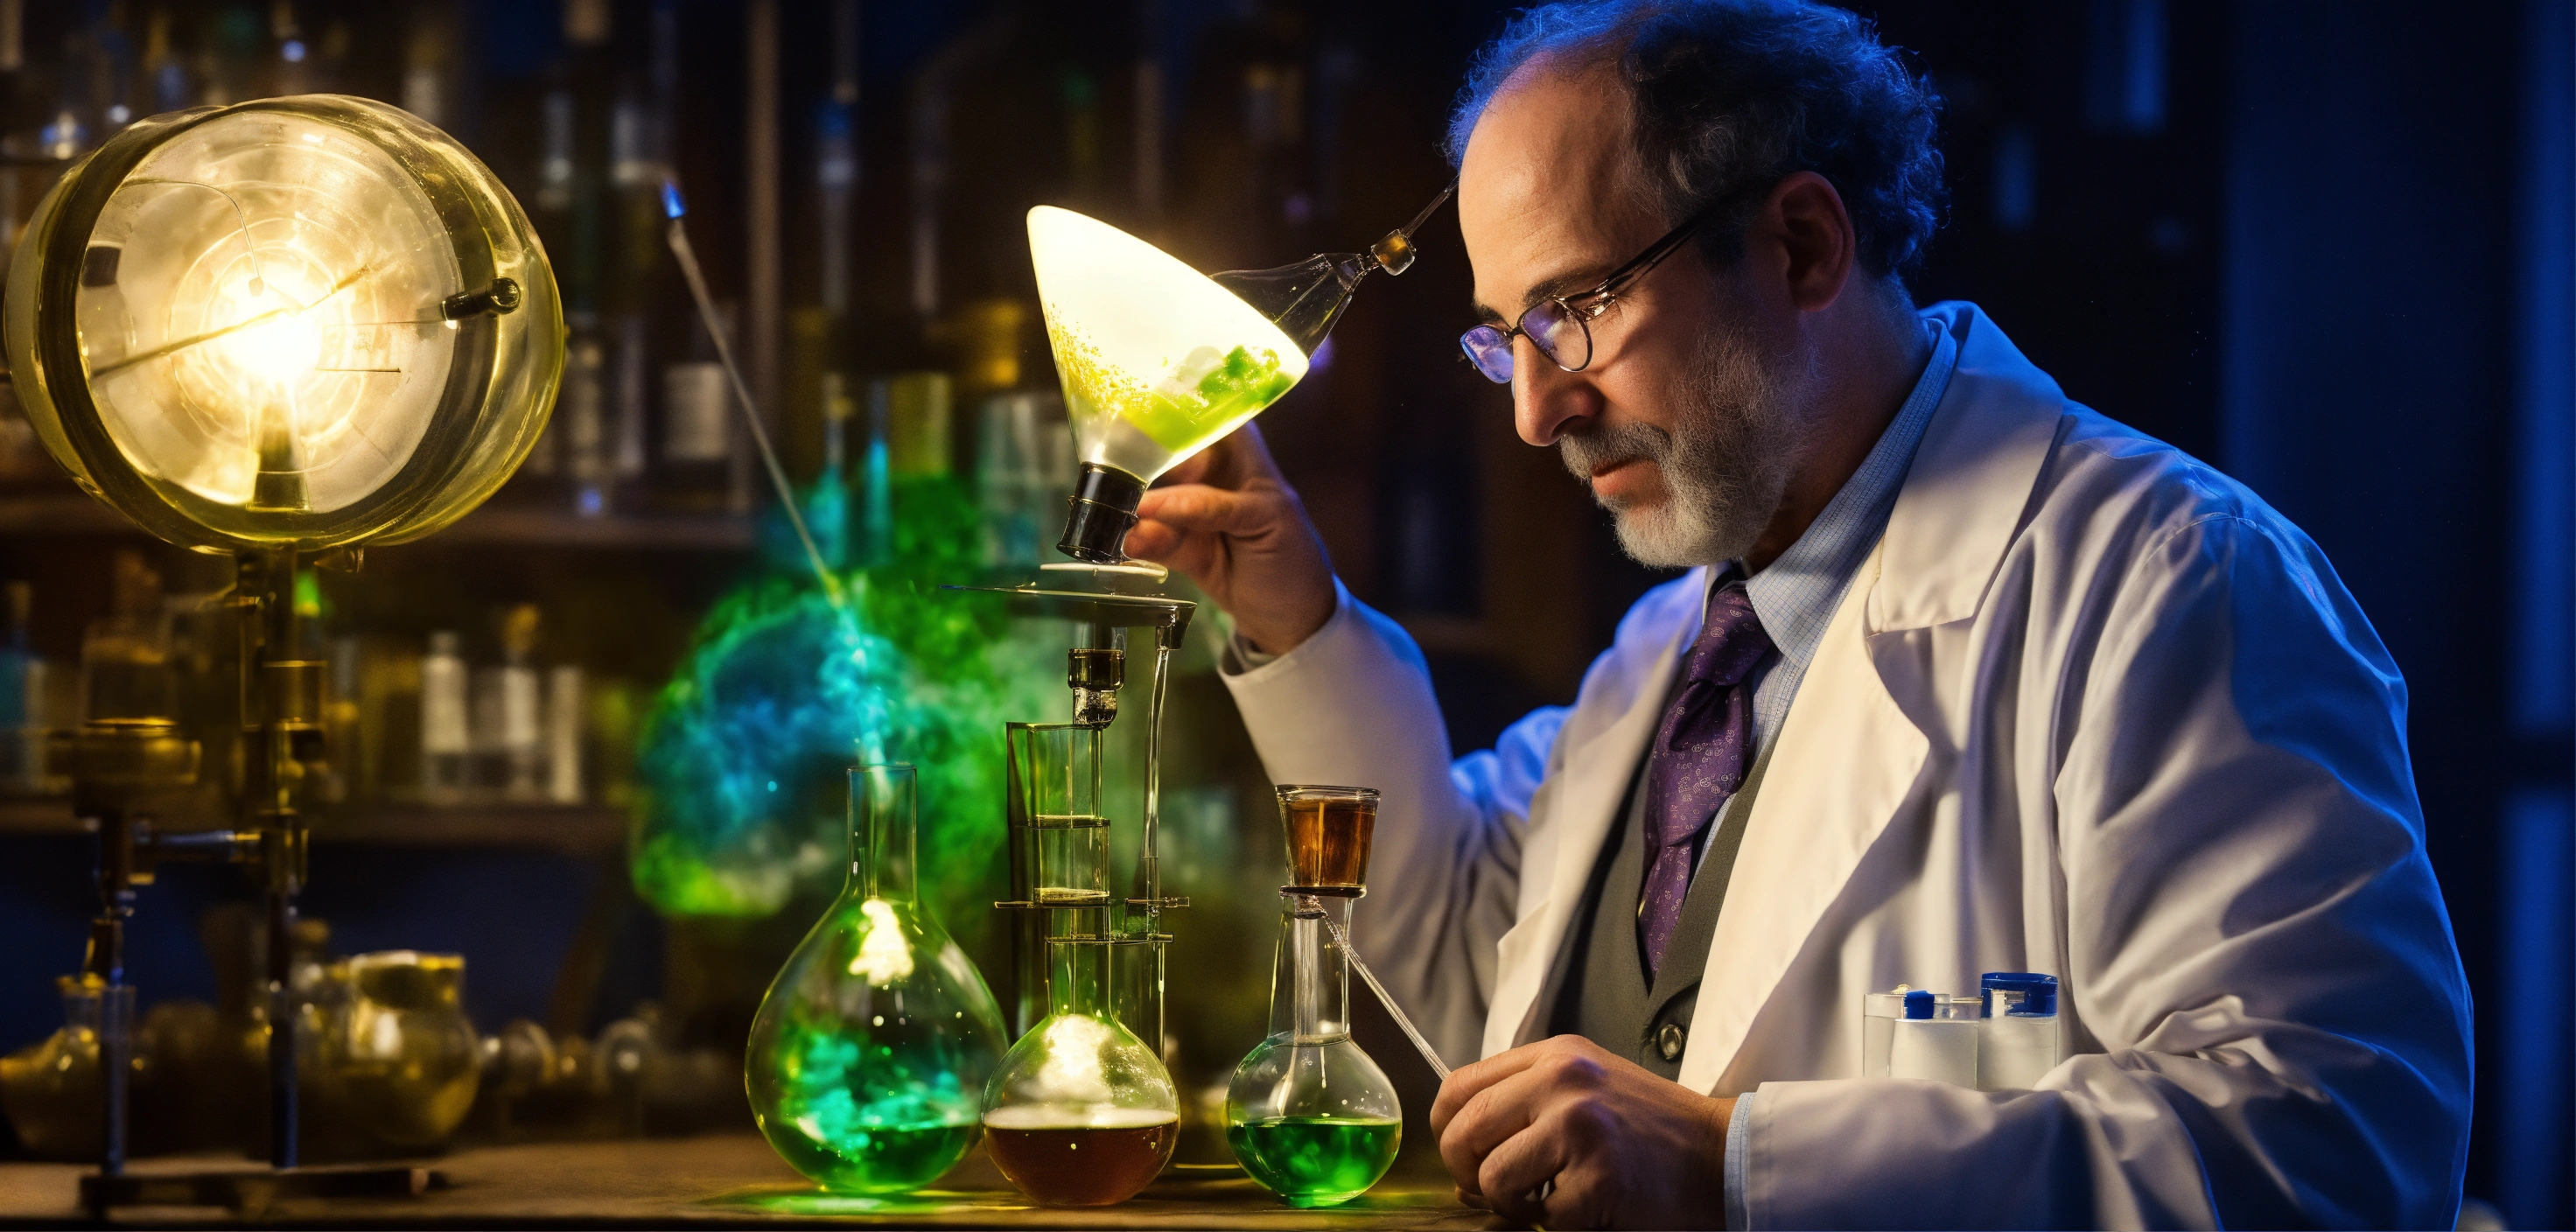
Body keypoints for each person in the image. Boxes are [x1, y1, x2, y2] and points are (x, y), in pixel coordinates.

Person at [1129, 0, 2473, 1227]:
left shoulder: (2173, 582)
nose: (1539, 413)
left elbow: (2337, 1144)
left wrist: (1741, 1172)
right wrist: (1297, 623)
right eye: (1507, 340)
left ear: (1803, 245)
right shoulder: (1671, 654)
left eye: (1577, 312)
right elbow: (1470, 940)